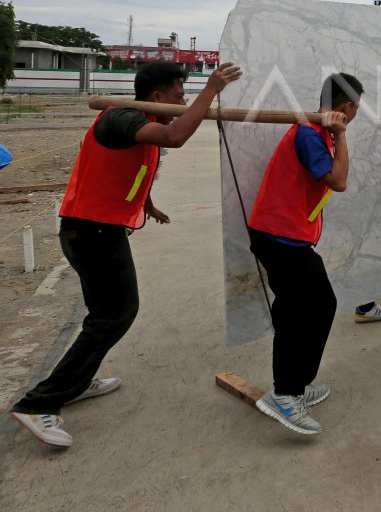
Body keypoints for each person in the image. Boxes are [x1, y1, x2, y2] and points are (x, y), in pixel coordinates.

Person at [9, 61, 242, 449]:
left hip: (94, 229)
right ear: (157, 97)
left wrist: (145, 201)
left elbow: (130, 165)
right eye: (179, 95)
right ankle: (39, 404)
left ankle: (74, 383)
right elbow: (175, 137)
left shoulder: (138, 120)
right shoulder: (121, 117)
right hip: (92, 232)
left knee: (104, 314)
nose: (182, 101)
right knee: (115, 314)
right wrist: (210, 90)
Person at [247, 73, 362, 435]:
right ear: (347, 107)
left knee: (306, 309)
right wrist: (342, 135)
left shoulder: (316, 133)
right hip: (279, 238)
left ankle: (295, 384)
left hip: (286, 237)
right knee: (306, 311)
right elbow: (338, 182)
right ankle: (285, 393)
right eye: (356, 110)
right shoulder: (310, 135)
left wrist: (336, 134)